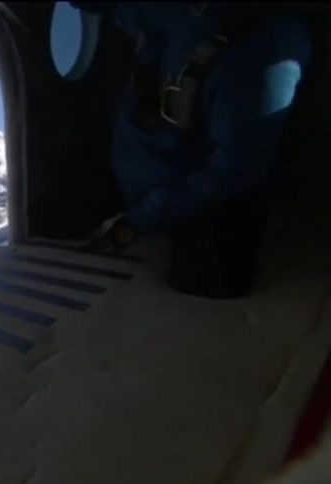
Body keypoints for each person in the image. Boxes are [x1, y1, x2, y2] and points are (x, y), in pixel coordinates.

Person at [77, 3, 312, 298]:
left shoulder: (263, 55)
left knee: (207, 277)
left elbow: (235, 170)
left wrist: (140, 219)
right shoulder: (177, 11)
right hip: (137, 178)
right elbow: (125, 11)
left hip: (198, 201)